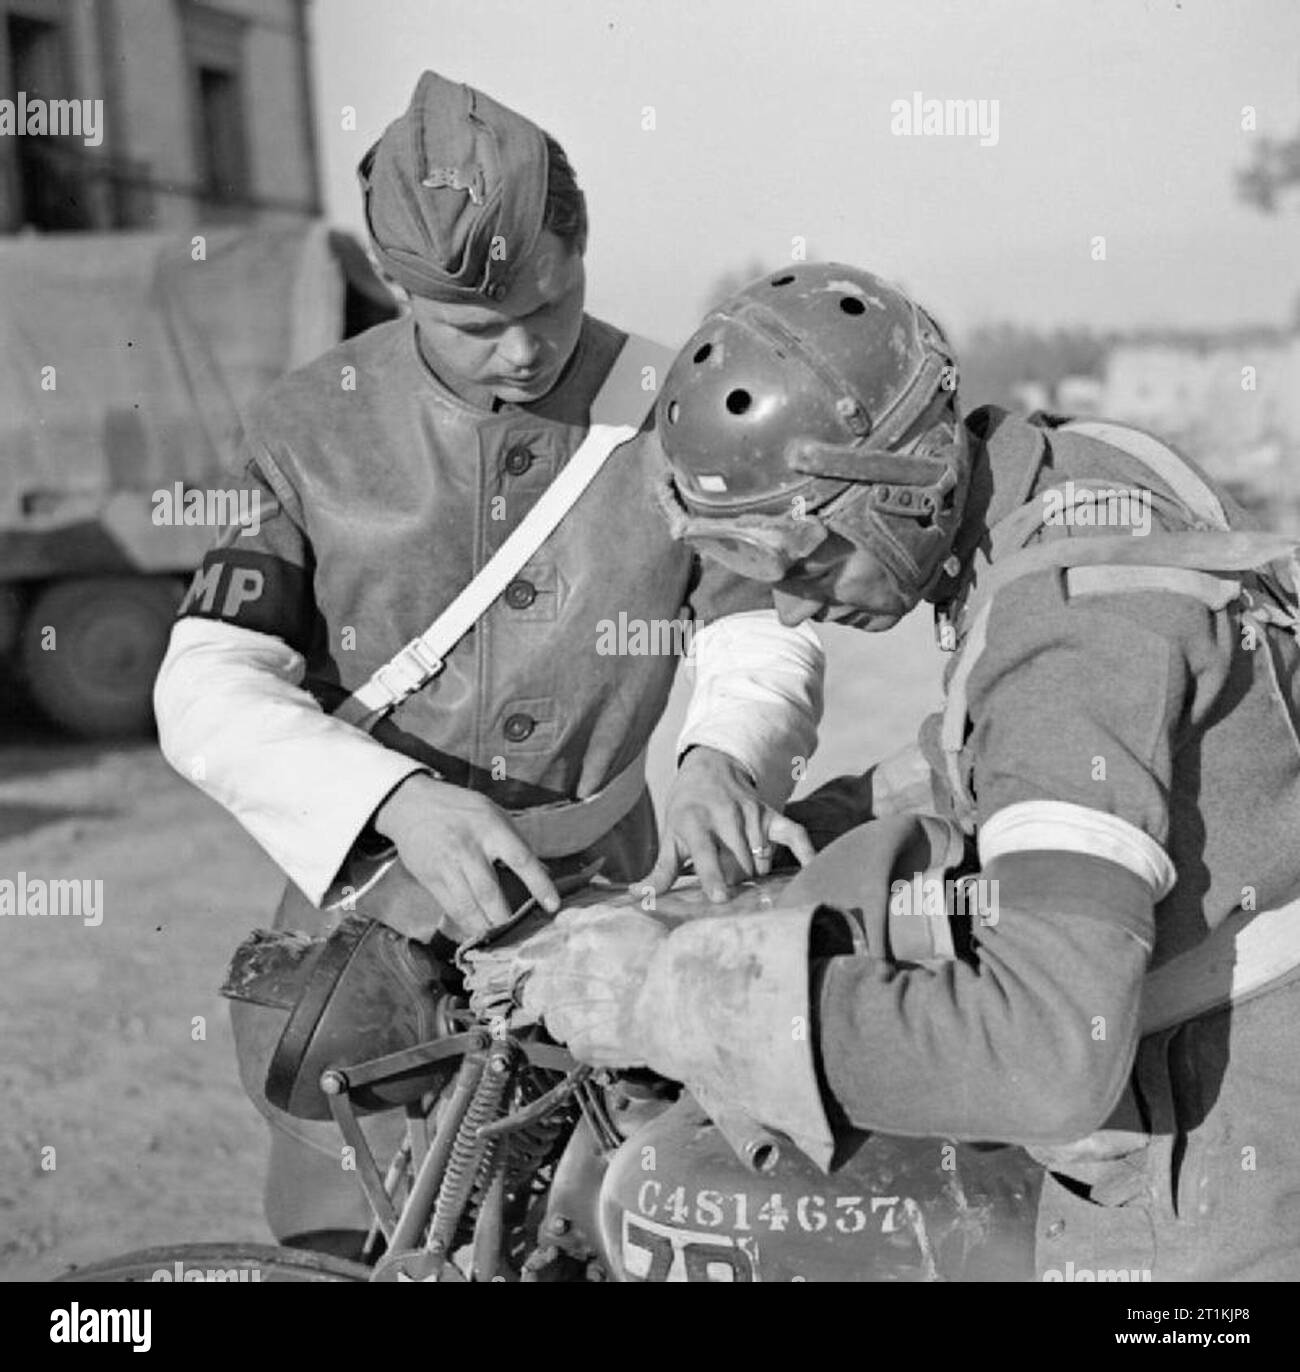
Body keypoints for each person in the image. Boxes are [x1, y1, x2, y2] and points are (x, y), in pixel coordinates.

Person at [471, 262, 1300, 1281]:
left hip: (1221, 1167)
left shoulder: (1070, 635)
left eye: (805, 563)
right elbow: (998, 749)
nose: (791, 610)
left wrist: (666, 997)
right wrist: (817, 822)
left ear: (899, 492)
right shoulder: (1068, 477)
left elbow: (1043, 1056)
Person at [152, 74, 821, 1257]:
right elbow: (203, 682)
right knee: (347, 1239)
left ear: (580, 243)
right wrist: (399, 803)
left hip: (608, 909)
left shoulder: (676, 405)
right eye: (472, 326)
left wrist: (727, 754)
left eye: (549, 304)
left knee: (603, 1229)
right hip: (368, 934)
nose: (522, 351)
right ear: (400, 286)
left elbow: (752, 619)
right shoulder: (307, 425)